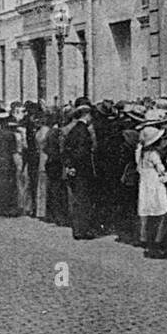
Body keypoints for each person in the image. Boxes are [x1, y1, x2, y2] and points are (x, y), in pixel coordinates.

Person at [63, 98, 98, 239]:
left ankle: (78, 229)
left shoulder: (73, 129)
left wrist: (69, 165)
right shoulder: (83, 131)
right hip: (83, 170)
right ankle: (82, 230)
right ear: (86, 115)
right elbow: (82, 153)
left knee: (78, 199)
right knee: (84, 200)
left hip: (75, 169)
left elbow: (67, 150)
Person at [136, 124, 167, 257]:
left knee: (146, 210)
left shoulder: (140, 153)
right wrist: (166, 177)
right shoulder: (154, 154)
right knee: (162, 210)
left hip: (145, 182)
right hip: (155, 183)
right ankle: (158, 240)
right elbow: (160, 169)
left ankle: (144, 237)